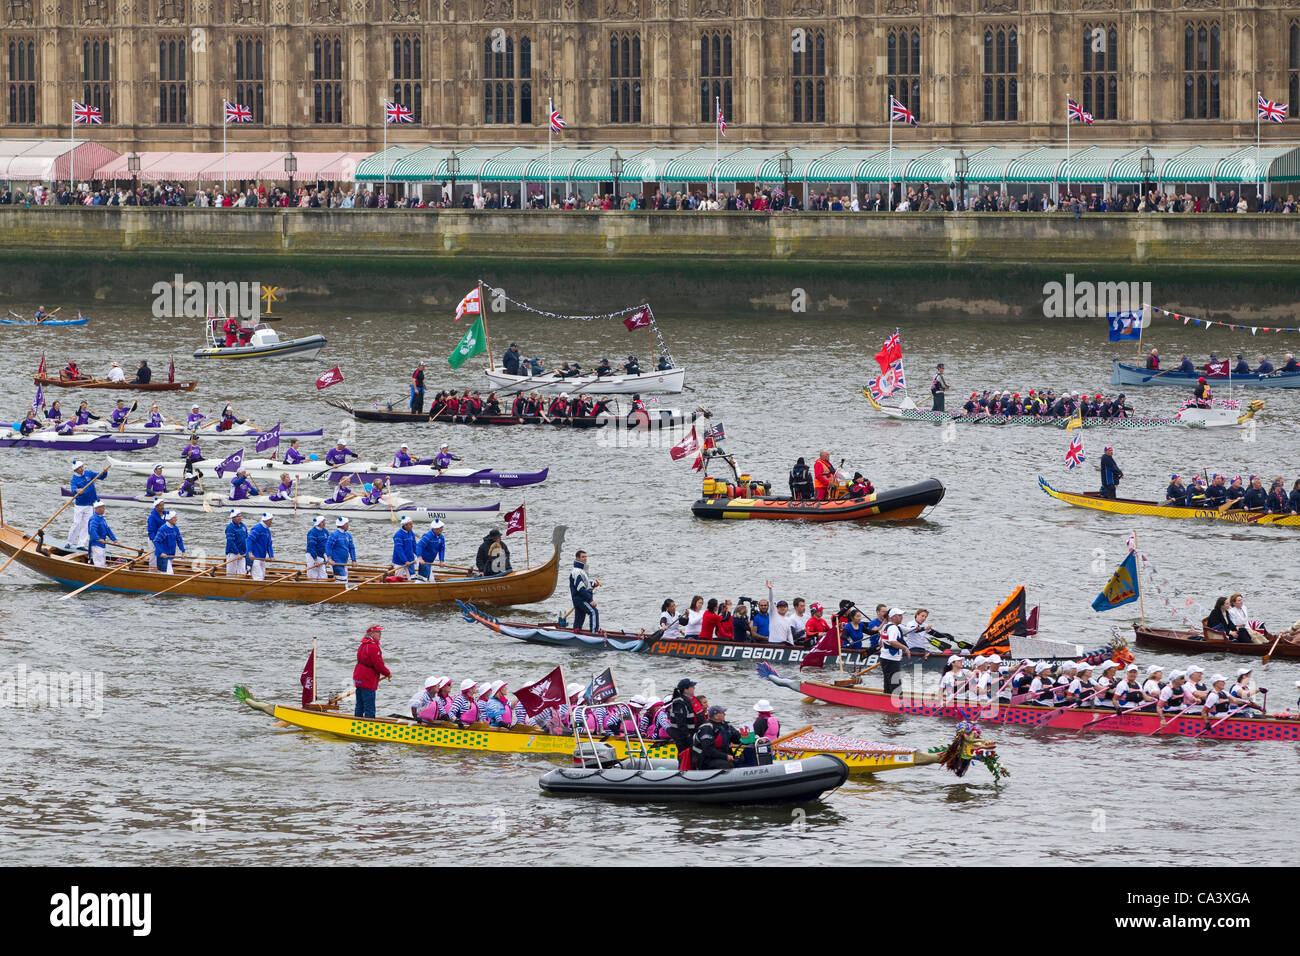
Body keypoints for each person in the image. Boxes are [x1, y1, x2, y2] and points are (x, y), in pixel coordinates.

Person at [65, 460, 110, 550]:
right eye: (79, 468)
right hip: (80, 505)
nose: (82, 469)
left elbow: (101, 476)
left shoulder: (89, 473)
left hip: (90, 504)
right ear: (75, 470)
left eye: (82, 466)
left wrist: (104, 472)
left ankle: (81, 544)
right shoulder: (74, 480)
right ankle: (69, 542)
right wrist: (77, 491)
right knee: (76, 523)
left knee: (86, 524)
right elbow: (73, 489)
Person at [352, 625, 391, 719]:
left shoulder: (363, 644)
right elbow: (379, 665)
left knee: (360, 705)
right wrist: (388, 673)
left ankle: (357, 722)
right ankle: (369, 725)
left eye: (380, 632)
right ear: (371, 633)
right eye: (378, 632)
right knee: (369, 707)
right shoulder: (373, 647)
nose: (380, 634)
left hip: (358, 677)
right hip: (367, 679)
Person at [667, 678, 703, 767]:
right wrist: (688, 737)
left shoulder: (690, 700)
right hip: (682, 736)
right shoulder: (679, 702)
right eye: (692, 687)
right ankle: (682, 771)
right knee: (684, 756)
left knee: (692, 756)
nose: (694, 688)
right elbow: (681, 723)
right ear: (686, 689)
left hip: (692, 734)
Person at [691, 705, 741, 769]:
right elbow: (708, 750)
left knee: (741, 760)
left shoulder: (726, 726)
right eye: (722, 713)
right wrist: (725, 756)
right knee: (728, 765)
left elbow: (738, 739)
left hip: (719, 757)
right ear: (716, 716)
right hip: (705, 759)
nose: (725, 714)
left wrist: (750, 739)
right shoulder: (707, 728)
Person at [569, 549, 601, 631]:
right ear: (577, 559)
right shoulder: (577, 572)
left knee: (579, 619)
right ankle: (594, 634)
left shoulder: (582, 571)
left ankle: (575, 633)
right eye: (583, 557)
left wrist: (593, 584)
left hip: (579, 599)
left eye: (586, 557)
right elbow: (580, 588)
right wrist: (590, 600)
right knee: (593, 612)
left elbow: (585, 584)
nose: (585, 558)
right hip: (581, 599)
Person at [879, 608, 908, 693]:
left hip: (885, 657)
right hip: (891, 659)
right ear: (893, 617)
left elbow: (880, 643)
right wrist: (905, 649)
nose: (902, 617)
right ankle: (896, 703)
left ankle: (886, 699)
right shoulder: (893, 628)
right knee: (895, 685)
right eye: (899, 615)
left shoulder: (885, 626)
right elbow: (892, 642)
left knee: (888, 683)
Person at [86, 501, 117, 568]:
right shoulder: (94, 519)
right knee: (98, 560)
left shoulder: (102, 518)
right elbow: (92, 531)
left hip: (102, 544)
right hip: (96, 543)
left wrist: (114, 540)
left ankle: (102, 568)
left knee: (102, 559)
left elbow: (107, 530)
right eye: (101, 508)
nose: (103, 509)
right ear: (96, 509)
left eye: (103, 508)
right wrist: (98, 539)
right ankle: (99, 570)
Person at [244, 513, 274, 581]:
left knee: (262, 575)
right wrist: (250, 553)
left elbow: (269, 544)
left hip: (262, 558)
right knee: (258, 577)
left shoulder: (267, 531)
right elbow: (249, 540)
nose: (271, 521)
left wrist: (271, 556)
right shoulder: (257, 528)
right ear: (266, 520)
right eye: (270, 520)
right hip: (255, 557)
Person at [326, 517, 356, 582]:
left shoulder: (348, 535)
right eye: (346, 524)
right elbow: (328, 547)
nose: (348, 525)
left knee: (344, 580)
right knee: (343, 580)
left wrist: (354, 560)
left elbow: (352, 548)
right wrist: (329, 559)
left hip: (344, 562)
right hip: (336, 562)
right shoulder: (334, 535)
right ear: (342, 525)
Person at [224, 508, 249, 576]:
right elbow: (231, 542)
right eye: (238, 516)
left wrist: (247, 550)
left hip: (242, 553)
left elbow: (246, 539)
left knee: (242, 572)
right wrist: (237, 553)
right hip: (232, 553)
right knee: (231, 573)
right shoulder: (230, 528)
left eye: (240, 516)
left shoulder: (243, 526)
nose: (240, 518)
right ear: (233, 518)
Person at [391, 514, 417, 579]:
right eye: (410, 525)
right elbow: (399, 550)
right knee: (398, 579)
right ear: (405, 525)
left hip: (410, 560)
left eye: (412, 524)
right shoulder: (398, 535)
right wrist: (405, 561)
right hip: (399, 561)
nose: (412, 526)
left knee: (412, 578)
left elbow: (414, 546)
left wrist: (419, 555)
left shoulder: (411, 533)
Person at [305, 514, 330, 579]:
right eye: (322, 522)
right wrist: (315, 560)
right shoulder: (312, 532)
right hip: (312, 555)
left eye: (324, 522)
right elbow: (311, 546)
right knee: (313, 574)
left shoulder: (325, 532)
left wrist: (329, 557)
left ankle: (323, 585)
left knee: (323, 575)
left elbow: (328, 545)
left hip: (321, 555)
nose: (324, 523)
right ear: (318, 523)